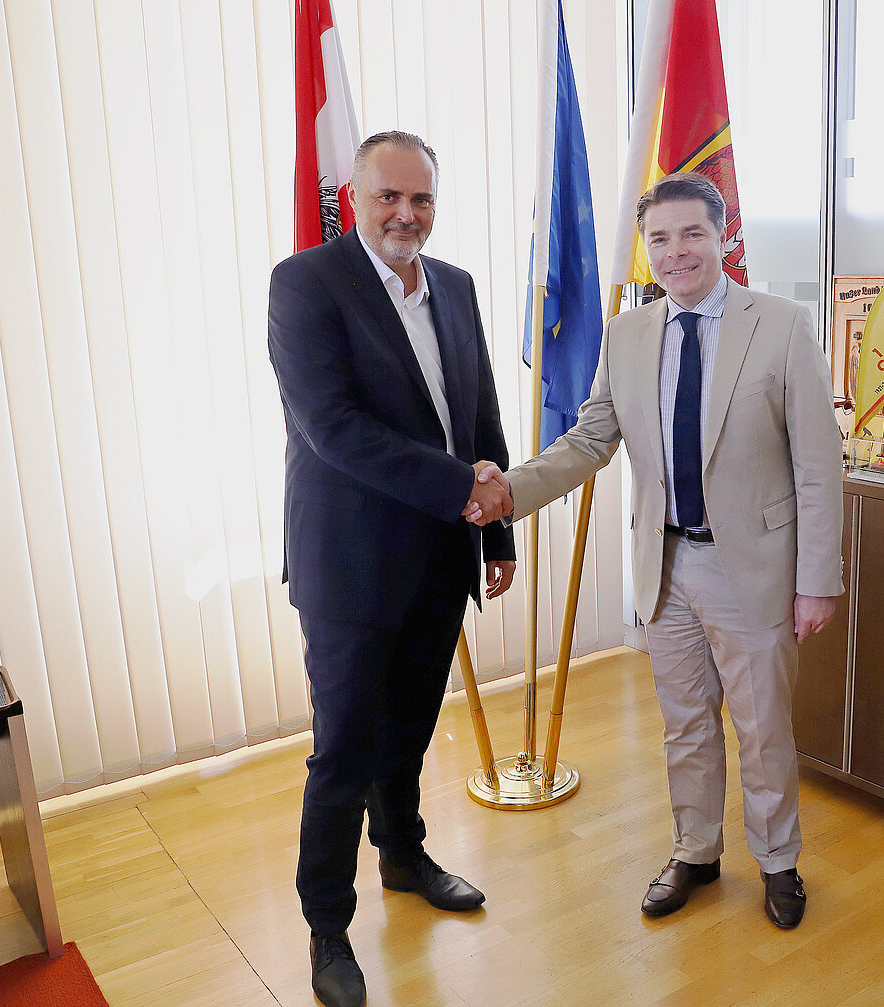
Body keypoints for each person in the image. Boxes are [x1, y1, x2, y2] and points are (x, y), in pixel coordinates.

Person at [473, 172, 843, 929]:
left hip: (755, 571)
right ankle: (696, 850)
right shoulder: (628, 333)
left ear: (722, 237)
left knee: (763, 728)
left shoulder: (781, 325)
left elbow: (817, 464)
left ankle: (778, 861)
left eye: (692, 234)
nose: (676, 253)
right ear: (648, 251)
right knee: (685, 723)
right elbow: (590, 440)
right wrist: (510, 491)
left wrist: (818, 581)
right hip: (666, 564)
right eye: (660, 240)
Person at [268, 130, 516, 1007]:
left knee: (411, 727)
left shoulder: (454, 284)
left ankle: (404, 857)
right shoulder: (306, 284)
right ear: (356, 199)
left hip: (440, 555)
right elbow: (329, 427)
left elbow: (476, 406)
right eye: (389, 197)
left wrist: (496, 530)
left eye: (422, 199)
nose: (406, 214)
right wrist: (464, 488)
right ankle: (327, 924)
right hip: (350, 563)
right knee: (342, 749)